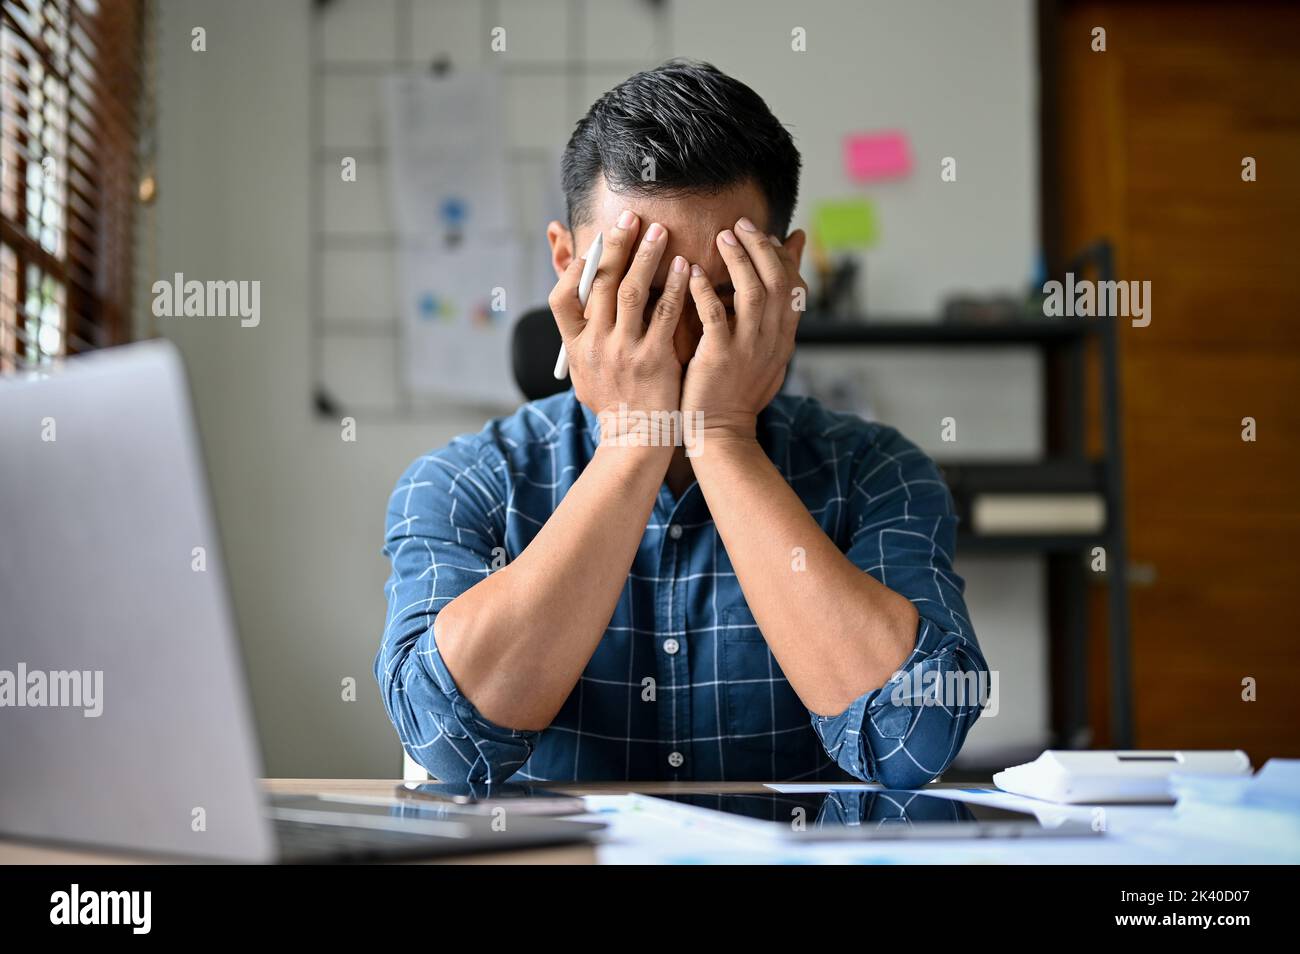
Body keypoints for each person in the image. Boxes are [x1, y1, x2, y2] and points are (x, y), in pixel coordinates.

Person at [375, 60, 988, 786]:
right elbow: (452, 748)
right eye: (639, 289)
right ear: (567, 265)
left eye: (722, 295)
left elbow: (913, 739)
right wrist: (633, 445)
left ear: (787, 279)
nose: (679, 338)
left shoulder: (878, 472)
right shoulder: (461, 484)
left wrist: (723, 437)